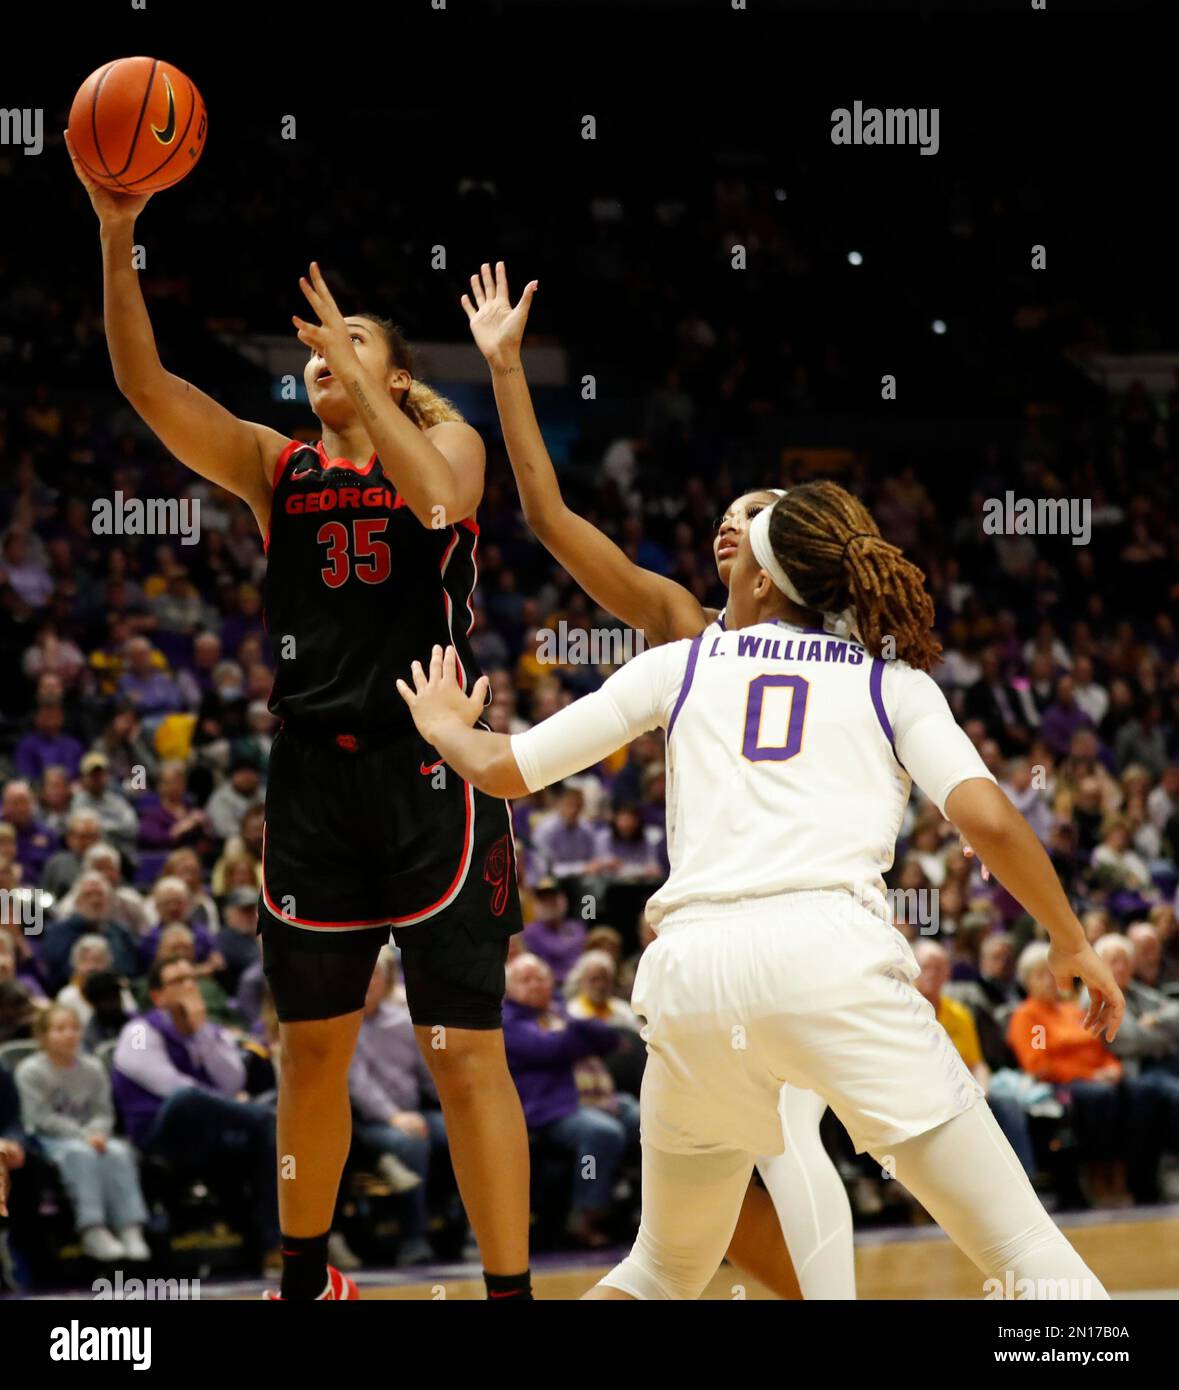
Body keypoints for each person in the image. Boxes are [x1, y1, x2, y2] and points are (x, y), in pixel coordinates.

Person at [396, 477, 1123, 1301]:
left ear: (766, 577)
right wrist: (1068, 936)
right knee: (1024, 1249)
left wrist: (445, 724)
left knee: (663, 1269)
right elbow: (988, 820)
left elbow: (503, 770)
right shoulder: (891, 683)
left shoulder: (682, 664)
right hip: (828, 957)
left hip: (691, 973)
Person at [69, 151, 531, 1303]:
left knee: (463, 1051)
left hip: (436, 772)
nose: (324, 358)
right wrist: (117, 229)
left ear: (397, 374)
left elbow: (439, 501)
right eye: (315, 350)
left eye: (350, 343)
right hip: (314, 785)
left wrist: (374, 379)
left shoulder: (451, 442)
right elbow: (146, 384)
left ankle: (512, 1291)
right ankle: (304, 1280)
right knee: (313, 1048)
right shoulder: (277, 468)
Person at [462, 261, 849, 1299]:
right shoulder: (684, 629)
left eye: (758, 513)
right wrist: (506, 371)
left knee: (725, 1209)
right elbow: (547, 518)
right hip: (718, 940)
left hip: (811, 926)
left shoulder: (849, 662)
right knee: (733, 1199)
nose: (731, 521)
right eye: (726, 509)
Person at [15, 1004, 150, 1262]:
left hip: (94, 1137)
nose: (69, 1034)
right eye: (60, 1029)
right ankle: (92, 1229)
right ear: (43, 1036)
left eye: (74, 1028)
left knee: (119, 1152)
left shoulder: (93, 1067)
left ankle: (130, 1227)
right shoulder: (30, 1071)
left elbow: (104, 1111)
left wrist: (96, 1132)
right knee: (81, 1154)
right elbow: (40, 1117)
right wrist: (82, 1135)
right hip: (51, 1140)